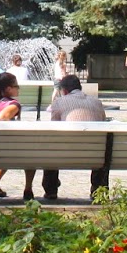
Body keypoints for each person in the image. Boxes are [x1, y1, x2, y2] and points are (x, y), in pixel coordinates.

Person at [42, 74, 107, 202]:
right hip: (95, 154)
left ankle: (51, 191)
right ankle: (97, 191)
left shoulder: (58, 102)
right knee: (100, 148)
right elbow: (103, 123)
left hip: (65, 154)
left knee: (50, 149)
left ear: (64, 90)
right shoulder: (97, 102)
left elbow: (54, 128)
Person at [0, 73, 36, 200]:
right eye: (16, 86)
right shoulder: (13, 105)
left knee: (3, 148)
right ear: (8, 89)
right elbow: (2, 117)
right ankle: (28, 189)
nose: (18, 88)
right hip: (1, 150)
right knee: (31, 152)